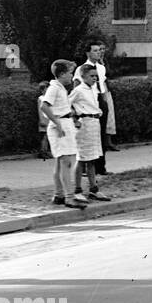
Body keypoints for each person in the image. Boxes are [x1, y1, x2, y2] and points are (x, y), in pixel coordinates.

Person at [39, 60, 83, 209]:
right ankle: (69, 197)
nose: (72, 76)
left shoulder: (60, 88)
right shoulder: (54, 88)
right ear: (62, 74)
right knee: (66, 162)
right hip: (60, 126)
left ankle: (59, 194)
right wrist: (57, 123)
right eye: (70, 73)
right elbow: (44, 106)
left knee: (60, 162)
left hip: (65, 123)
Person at [68, 64, 110, 202]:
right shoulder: (78, 90)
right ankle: (77, 190)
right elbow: (66, 104)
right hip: (84, 123)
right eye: (91, 76)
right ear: (83, 76)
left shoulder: (93, 89)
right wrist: (74, 119)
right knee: (82, 158)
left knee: (92, 159)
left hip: (94, 123)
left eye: (96, 76)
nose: (94, 79)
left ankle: (93, 189)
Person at [79, 41, 118, 160]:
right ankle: (88, 164)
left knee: (102, 133)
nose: (99, 53)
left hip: (101, 99)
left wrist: (104, 101)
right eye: (95, 51)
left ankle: (101, 166)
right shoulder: (82, 69)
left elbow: (103, 84)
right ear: (88, 53)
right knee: (91, 135)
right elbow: (78, 87)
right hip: (90, 101)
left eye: (99, 50)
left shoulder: (101, 68)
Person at [35, 82, 51, 159]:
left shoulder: (49, 99)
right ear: (42, 90)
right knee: (44, 136)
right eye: (46, 89)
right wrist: (41, 119)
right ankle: (42, 152)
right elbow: (40, 110)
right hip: (44, 119)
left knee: (48, 136)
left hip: (49, 118)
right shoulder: (41, 98)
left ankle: (46, 151)